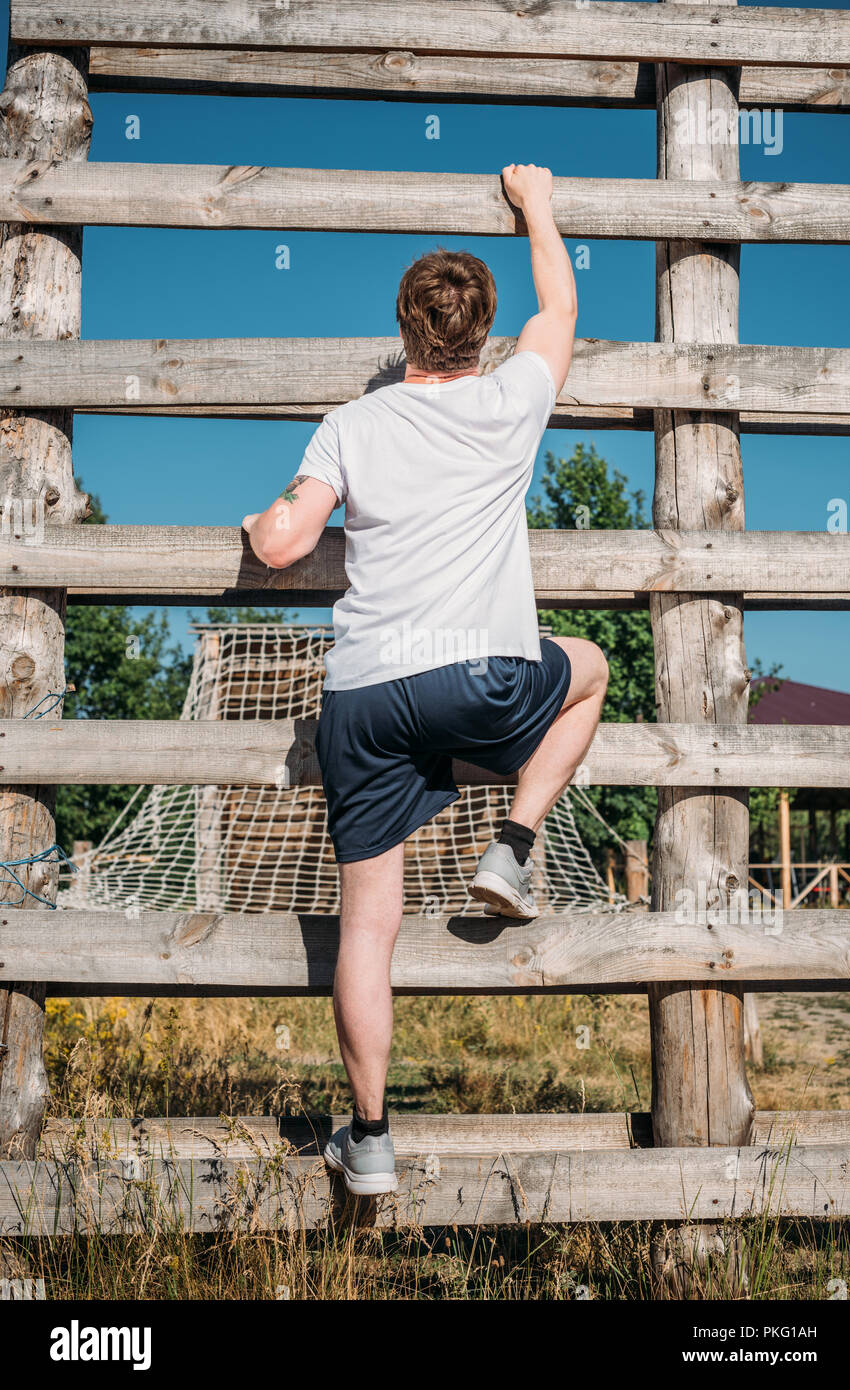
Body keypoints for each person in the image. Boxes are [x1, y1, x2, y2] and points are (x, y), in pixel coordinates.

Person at [242, 163, 609, 1195]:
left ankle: (368, 1140)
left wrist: (259, 522)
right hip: (479, 678)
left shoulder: (353, 425)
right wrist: (537, 201)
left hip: (361, 697)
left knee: (368, 925)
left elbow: (282, 544)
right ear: (482, 334)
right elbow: (564, 304)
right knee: (592, 671)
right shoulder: (512, 398)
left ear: (403, 332)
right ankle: (512, 848)